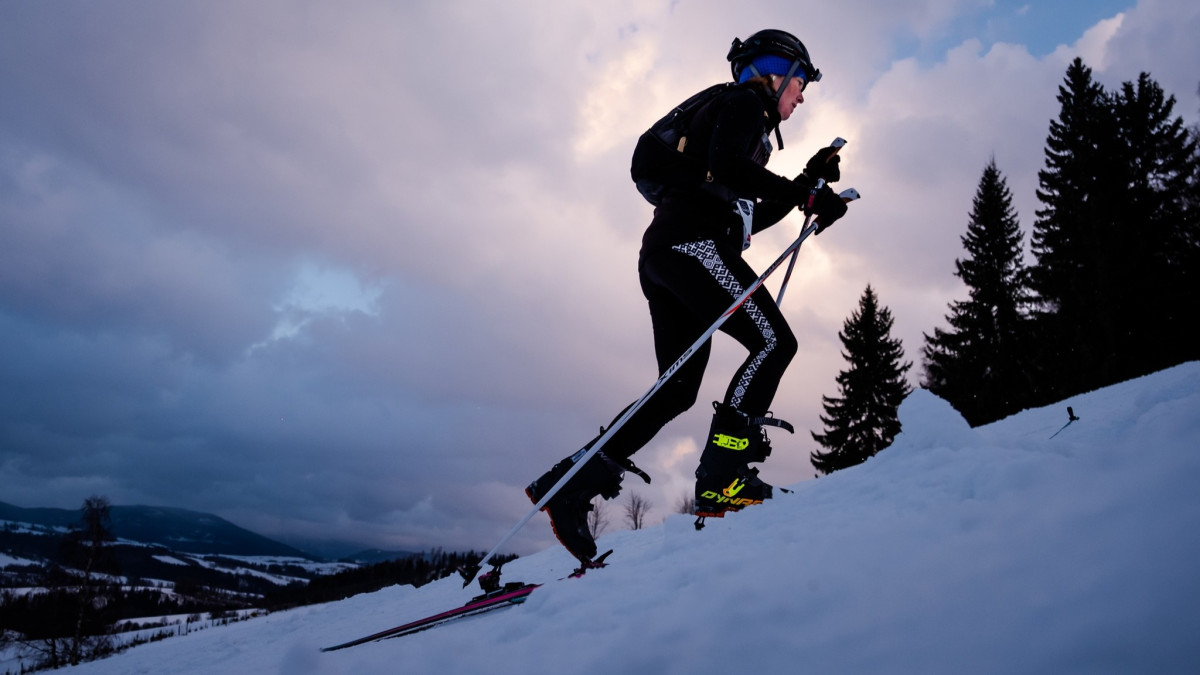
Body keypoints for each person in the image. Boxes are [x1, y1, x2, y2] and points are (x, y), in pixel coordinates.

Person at [526, 29, 848, 561]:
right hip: (692, 247)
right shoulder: (744, 103)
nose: (802, 96)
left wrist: (806, 184)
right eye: (801, 83)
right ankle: (724, 478)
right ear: (777, 74)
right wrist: (802, 192)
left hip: (668, 255)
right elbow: (732, 169)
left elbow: (747, 212)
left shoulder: (737, 134)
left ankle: (568, 487)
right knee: (774, 343)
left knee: (676, 389)